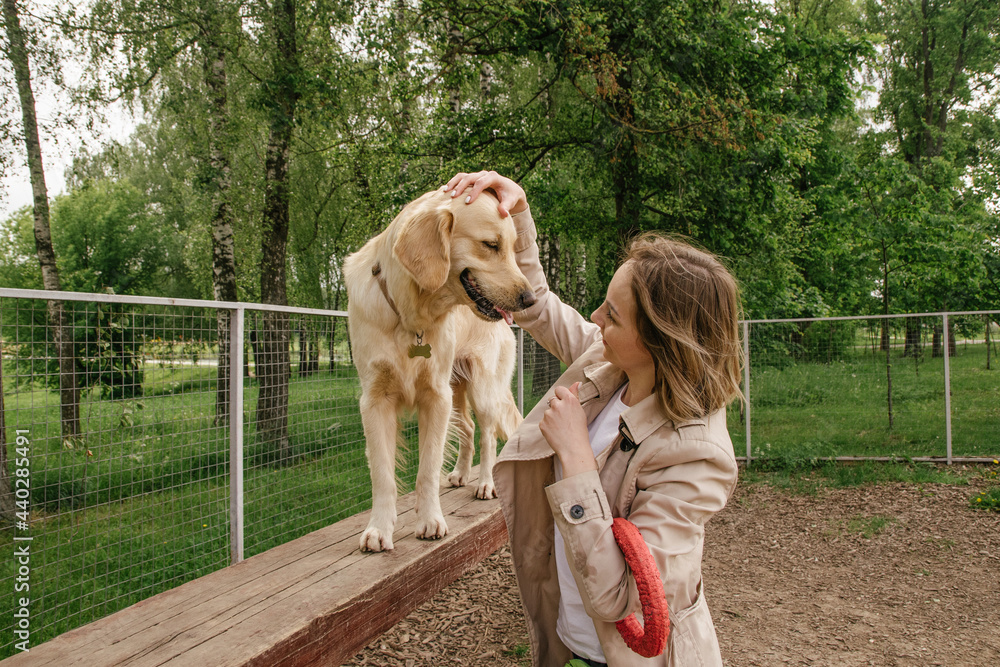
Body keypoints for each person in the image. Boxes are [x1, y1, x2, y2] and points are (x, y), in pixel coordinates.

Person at [441, 171, 744, 667]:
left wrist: (577, 457)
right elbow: (536, 305)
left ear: (661, 342)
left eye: (614, 314)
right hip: (572, 643)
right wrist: (517, 212)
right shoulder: (608, 364)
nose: (596, 318)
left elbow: (624, 597)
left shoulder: (697, 455)